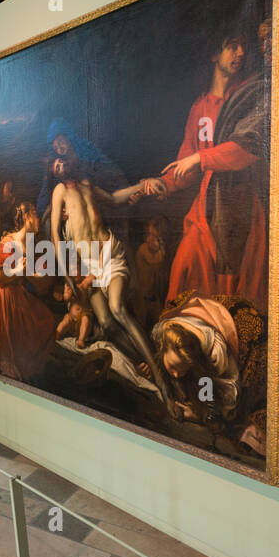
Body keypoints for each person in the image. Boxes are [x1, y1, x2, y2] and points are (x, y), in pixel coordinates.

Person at [142, 21, 271, 306]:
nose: (239, 53)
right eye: (231, 46)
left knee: (233, 291)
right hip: (204, 209)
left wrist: (200, 158)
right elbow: (185, 165)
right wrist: (162, 184)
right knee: (184, 272)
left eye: (242, 47)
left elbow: (246, 149)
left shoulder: (247, 96)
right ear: (215, 54)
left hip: (238, 206)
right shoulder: (199, 108)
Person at [47, 151, 171, 402]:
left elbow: (115, 199)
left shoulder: (86, 186)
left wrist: (144, 185)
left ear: (71, 161)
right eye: (55, 163)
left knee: (117, 309)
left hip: (108, 255)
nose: (60, 165)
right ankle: (146, 362)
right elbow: (55, 237)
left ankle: (162, 379)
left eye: (63, 160)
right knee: (105, 322)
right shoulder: (60, 191)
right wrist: (67, 275)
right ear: (52, 171)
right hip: (89, 263)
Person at [0, 202, 56, 381]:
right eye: (36, 215)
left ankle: (30, 372)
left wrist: (34, 275)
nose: (38, 220)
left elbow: (37, 279)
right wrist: (18, 271)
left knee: (46, 321)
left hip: (17, 294)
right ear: (28, 216)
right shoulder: (10, 242)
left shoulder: (30, 244)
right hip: (6, 297)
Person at [35, 117, 126, 217]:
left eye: (60, 142)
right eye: (55, 147)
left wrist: (124, 188)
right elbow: (42, 204)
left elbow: (110, 170)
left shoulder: (88, 151)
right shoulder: (56, 166)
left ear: (68, 136)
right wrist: (57, 212)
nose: (59, 149)